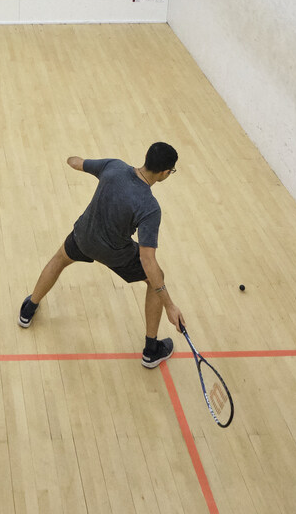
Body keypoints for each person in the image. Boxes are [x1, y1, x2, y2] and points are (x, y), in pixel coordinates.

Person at [18, 143, 184, 365]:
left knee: (59, 260)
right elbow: (147, 260)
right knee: (156, 279)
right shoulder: (150, 207)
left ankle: (28, 309)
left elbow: (77, 163)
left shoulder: (114, 167)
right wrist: (170, 305)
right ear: (164, 172)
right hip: (116, 254)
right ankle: (151, 350)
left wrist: (70, 158)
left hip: (83, 237)